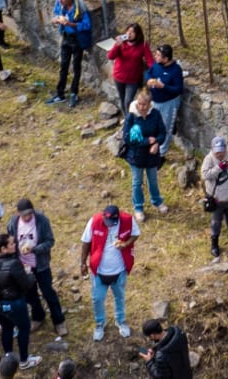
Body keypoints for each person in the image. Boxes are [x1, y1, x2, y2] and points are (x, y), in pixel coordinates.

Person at [79, 205, 138, 342]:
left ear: (118, 218)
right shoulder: (94, 222)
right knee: (97, 299)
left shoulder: (128, 220)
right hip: (99, 270)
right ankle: (100, 324)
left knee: (120, 296)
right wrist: (83, 263)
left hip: (119, 270)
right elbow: (85, 243)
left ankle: (121, 321)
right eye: (106, 222)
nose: (109, 225)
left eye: (112, 223)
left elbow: (136, 234)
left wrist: (125, 244)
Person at [0, 233, 40, 369]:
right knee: (23, 328)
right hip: (15, 302)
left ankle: (8, 356)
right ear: (3, 249)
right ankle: (24, 360)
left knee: (7, 328)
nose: (15, 245)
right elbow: (25, 284)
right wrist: (30, 274)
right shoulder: (13, 264)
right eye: (12, 244)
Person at [7, 200, 64, 339]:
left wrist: (35, 249)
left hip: (41, 264)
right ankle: (38, 317)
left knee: (48, 292)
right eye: (24, 214)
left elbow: (50, 241)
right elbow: (10, 241)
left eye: (30, 213)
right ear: (18, 213)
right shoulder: (13, 223)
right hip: (23, 266)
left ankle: (59, 321)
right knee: (30, 294)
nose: (28, 217)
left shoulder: (41, 220)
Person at [122, 89, 168, 221]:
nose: (142, 107)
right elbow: (127, 138)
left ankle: (157, 201)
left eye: (145, 104)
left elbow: (162, 132)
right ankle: (138, 207)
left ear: (149, 104)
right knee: (137, 182)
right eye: (140, 104)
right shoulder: (131, 116)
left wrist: (157, 143)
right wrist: (147, 141)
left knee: (153, 180)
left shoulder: (155, 114)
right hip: (136, 155)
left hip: (152, 155)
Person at [47, 0, 93, 108]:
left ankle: (74, 93)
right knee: (63, 66)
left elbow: (87, 25)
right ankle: (60, 93)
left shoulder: (80, 8)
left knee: (76, 67)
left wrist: (70, 24)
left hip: (77, 39)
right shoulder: (60, 5)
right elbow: (55, 16)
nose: (60, 1)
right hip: (66, 38)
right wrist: (56, 20)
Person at [200, 138, 228, 259]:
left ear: (225, 148)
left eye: (221, 151)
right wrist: (219, 168)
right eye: (216, 151)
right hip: (217, 199)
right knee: (216, 222)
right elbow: (204, 175)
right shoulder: (209, 159)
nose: (219, 154)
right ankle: (214, 244)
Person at [143, 46, 184, 157]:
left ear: (166, 58)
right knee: (155, 125)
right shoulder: (156, 65)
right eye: (155, 54)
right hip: (155, 101)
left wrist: (163, 86)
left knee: (166, 128)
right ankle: (153, 146)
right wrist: (148, 80)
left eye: (158, 55)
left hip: (169, 103)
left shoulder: (176, 70)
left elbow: (179, 89)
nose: (155, 57)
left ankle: (161, 154)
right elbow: (148, 72)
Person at [107, 24, 153, 114]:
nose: (129, 34)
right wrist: (117, 45)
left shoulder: (143, 45)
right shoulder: (121, 43)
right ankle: (126, 118)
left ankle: (130, 118)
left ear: (138, 34)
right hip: (119, 76)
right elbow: (110, 56)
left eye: (132, 32)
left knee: (128, 101)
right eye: (128, 31)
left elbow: (150, 60)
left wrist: (156, 70)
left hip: (133, 79)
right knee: (122, 98)